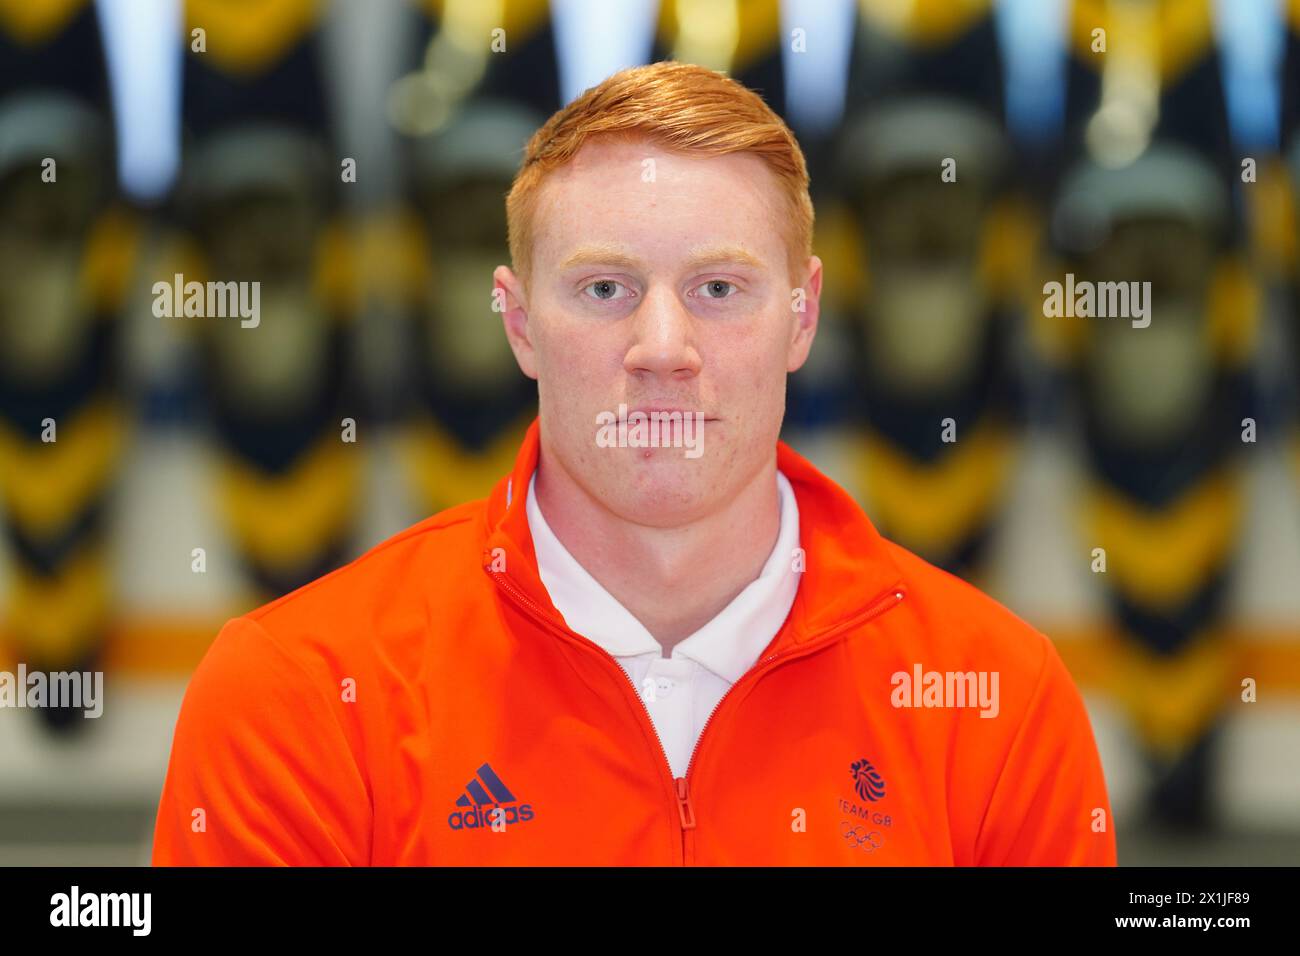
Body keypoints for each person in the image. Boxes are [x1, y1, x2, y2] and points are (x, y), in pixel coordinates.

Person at [152, 61, 1117, 865]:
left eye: (720, 287)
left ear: (804, 314)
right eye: (606, 287)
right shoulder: (297, 698)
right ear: (520, 321)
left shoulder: (997, 702)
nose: (663, 345)